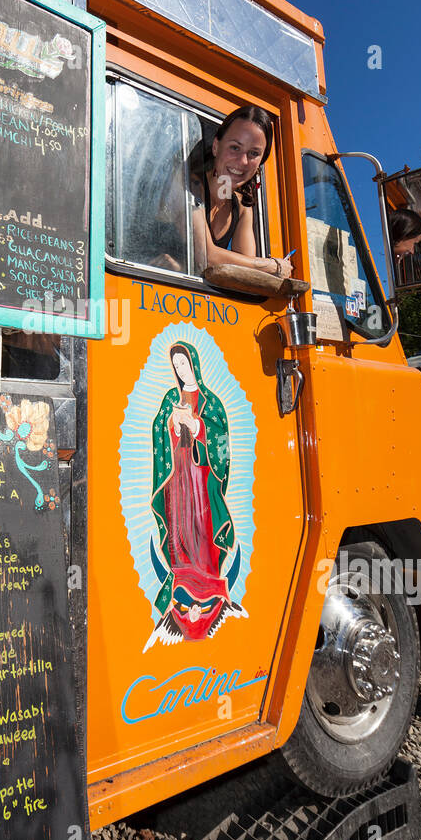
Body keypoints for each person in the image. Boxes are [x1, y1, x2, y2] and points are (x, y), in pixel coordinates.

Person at [145, 341, 244, 649]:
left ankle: (207, 576)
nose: (180, 370)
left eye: (184, 364)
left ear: (194, 365)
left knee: (202, 527)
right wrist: (172, 424)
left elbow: (220, 439)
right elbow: (159, 430)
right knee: (178, 526)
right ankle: (183, 574)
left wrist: (198, 425)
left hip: (201, 476)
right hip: (177, 474)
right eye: (176, 366)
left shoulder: (211, 402)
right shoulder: (170, 398)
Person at [191, 104, 294, 278]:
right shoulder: (190, 185)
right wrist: (273, 265)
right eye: (235, 147)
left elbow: (246, 274)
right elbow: (206, 256)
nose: (243, 161)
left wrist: (256, 266)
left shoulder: (242, 207)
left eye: (253, 153)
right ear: (216, 146)